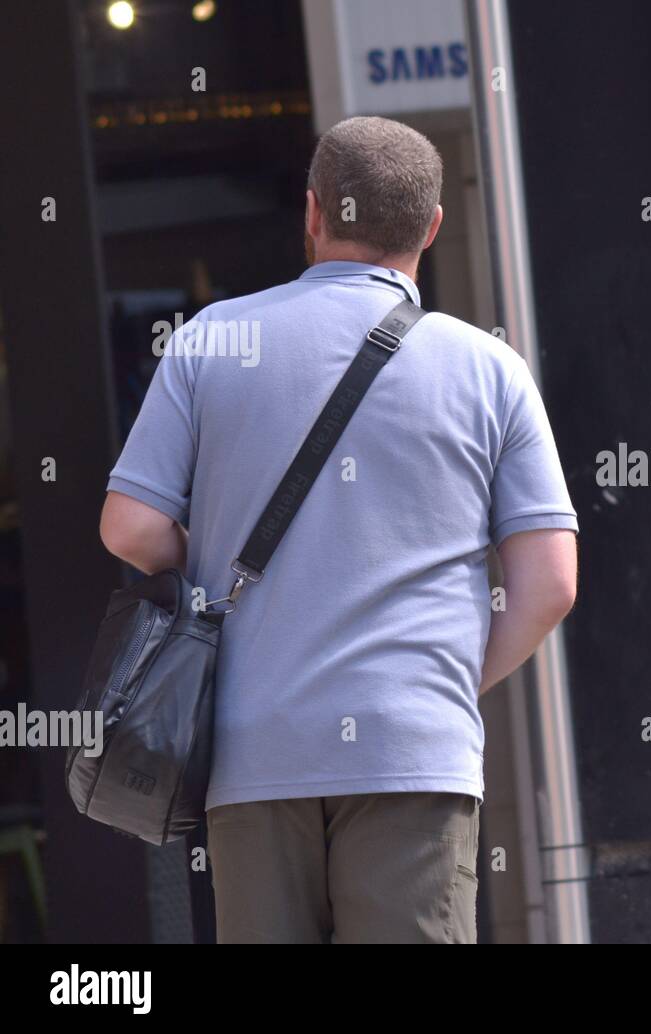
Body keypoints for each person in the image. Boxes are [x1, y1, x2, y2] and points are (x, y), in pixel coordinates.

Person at [98, 116, 579, 943]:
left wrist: (207, 552)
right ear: (432, 227)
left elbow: (130, 528)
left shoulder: (213, 340)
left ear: (313, 212)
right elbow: (550, 584)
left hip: (254, 753)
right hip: (414, 747)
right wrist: (445, 684)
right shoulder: (489, 367)